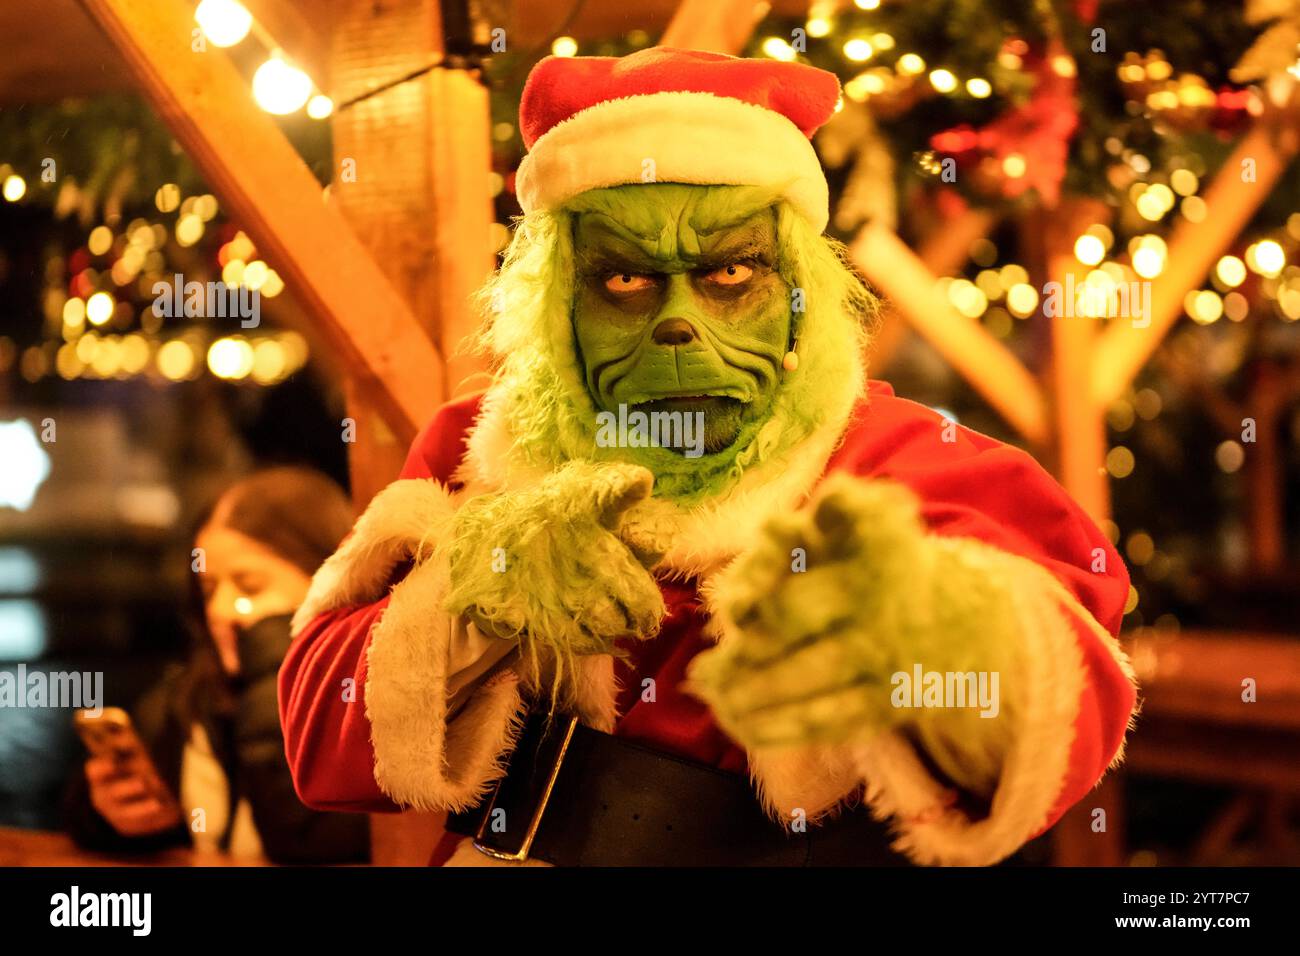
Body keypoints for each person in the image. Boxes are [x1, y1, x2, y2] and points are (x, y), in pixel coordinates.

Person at [279, 48, 1138, 867]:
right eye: (624, 280)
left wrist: (931, 634)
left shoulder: (906, 462)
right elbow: (317, 741)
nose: (677, 325)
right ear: (556, 313)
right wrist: (476, 593)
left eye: (730, 273)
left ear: (800, 303)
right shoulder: (477, 454)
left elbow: (1066, 711)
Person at [66, 467, 369, 864]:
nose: (220, 610)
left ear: (330, 582)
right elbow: (96, 818)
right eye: (208, 590)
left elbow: (311, 842)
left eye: (250, 586)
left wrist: (277, 675)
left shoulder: (370, 711)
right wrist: (107, 812)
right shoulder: (190, 701)